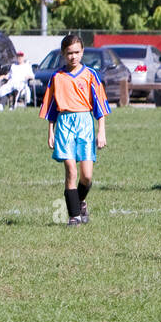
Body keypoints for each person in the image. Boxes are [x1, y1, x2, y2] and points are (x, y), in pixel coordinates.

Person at [39, 34, 109, 226]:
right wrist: (50, 131)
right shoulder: (57, 77)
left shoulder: (90, 75)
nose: (73, 56)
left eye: (77, 52)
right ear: (63, 54)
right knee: (71, 170)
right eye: (69, 53)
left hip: (85, 123)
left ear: (82, 52)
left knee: (86, 176)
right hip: (64, 124)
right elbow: (51, 107)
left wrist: (101, 130)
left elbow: (100, 105)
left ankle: (80, 202)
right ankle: (74, 216)